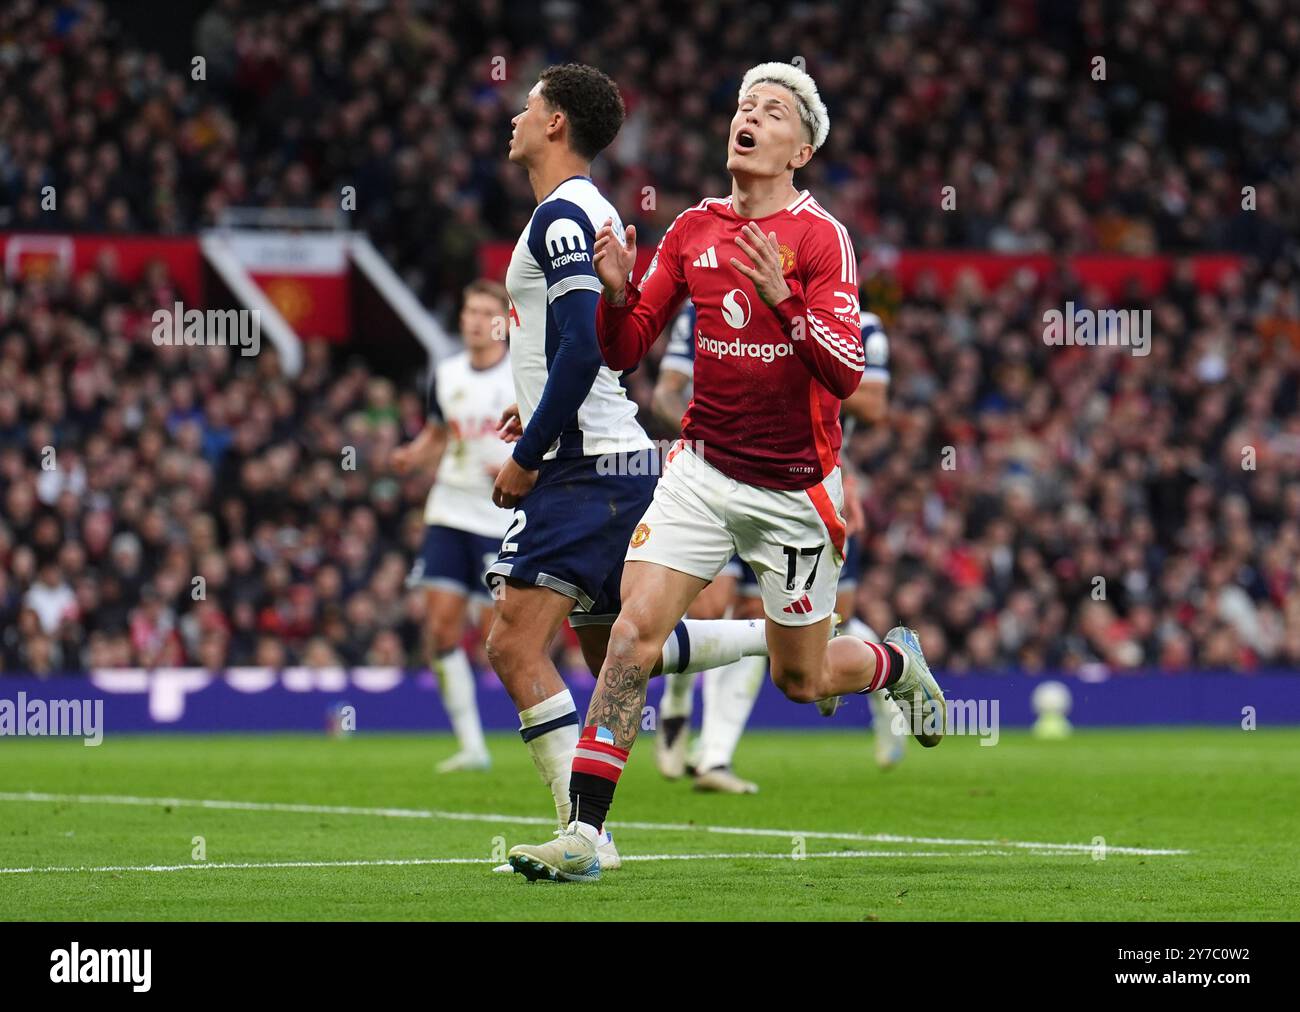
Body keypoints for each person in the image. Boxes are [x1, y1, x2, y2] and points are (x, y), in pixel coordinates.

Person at [509, 62, 944, 882]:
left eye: (772, 110)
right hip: (701, 471)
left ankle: (890, 663)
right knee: (632, 635)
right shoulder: (690, 230)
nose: (750, 116)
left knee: (799, 677)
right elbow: (628, 348)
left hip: (794, 491)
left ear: (800, 149)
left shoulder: (822, 239)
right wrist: (612, 294)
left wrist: (785, 298)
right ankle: (586, 837)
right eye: (745, 104)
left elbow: (847, 372)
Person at [486, 64, 771, 867]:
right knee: (618, 651)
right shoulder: (573, 214)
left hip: (590, 472)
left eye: (528, 103)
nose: (516, 113)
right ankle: (782, 640)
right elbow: (572, 354)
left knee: (512, 643)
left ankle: (586, 835)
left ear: (555, 124)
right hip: (608, 461)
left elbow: (583, 351)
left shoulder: (565, 216)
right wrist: (534, 400)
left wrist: (526, 453)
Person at [392, 279, 514, 772]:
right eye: (468, 310)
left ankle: (541, 731)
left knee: (500, 641)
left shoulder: (520, 375)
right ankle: (471, 746)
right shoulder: (444, 374)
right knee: (439, 629)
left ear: (503, 322)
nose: (474, 320)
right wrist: (413, 454)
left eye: (485, 311)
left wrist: (517, 465)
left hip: (500, 516)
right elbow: (440, 434)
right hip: (448, 509)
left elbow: (549, 436)